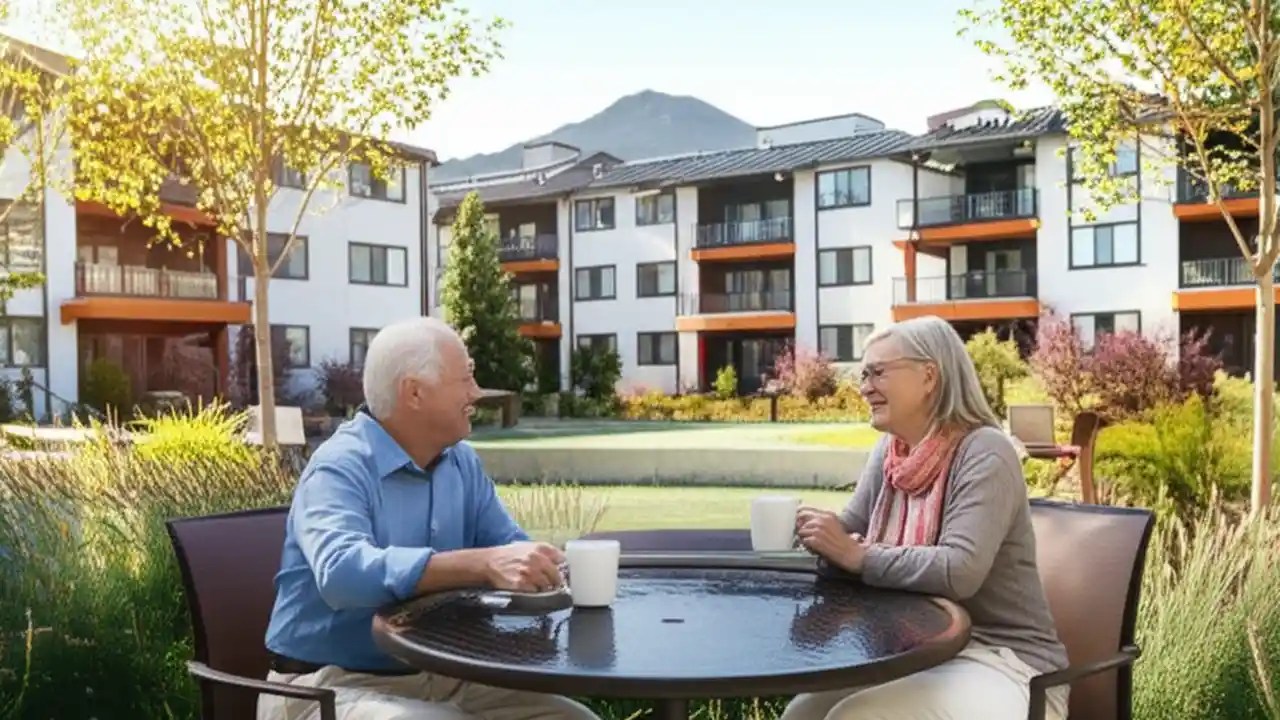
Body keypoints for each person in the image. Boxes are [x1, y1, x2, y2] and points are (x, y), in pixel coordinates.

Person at [259, 316, 602, 720]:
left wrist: (543, 568)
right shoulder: (339, 467)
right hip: (326, 687)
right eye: (466, 379)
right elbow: (341, 573)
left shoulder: (461, 463)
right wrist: (479, 564)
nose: (476, 392)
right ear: (415, 393)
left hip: (443, 676)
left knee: (574, 719)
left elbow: (509, 547)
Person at [782, 316, 1070, 720]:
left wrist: (859, 557)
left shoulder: (985, 453)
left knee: (857, 717)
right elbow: (852, 530)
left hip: (1004, 661)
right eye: (863, 374)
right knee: (803, 714)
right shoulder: (891, 452)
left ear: (929, 376)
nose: (865, 387)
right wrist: (817, 535)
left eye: (877, 372)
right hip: (918, 652)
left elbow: (959, 570)